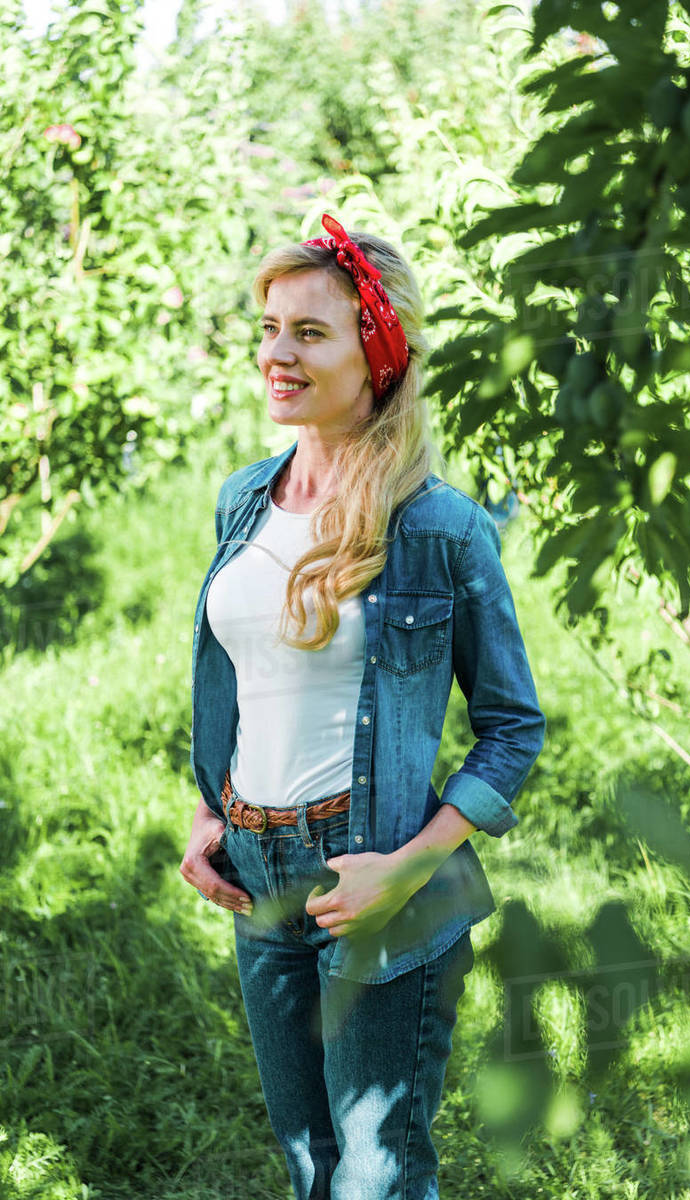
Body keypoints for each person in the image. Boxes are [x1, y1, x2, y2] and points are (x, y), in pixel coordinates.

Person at [180, 212, 545, 1200]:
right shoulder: (242, 500)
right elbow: (241, 676)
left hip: (374, 871)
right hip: (259, 874)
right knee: (310, 1163)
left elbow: (514, 728)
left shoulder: (437, 527)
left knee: (374, 1178)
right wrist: (212, 812)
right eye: (268, 328)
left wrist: (404, 868)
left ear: (377, 352)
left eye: (309, 331)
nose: (276, 354)